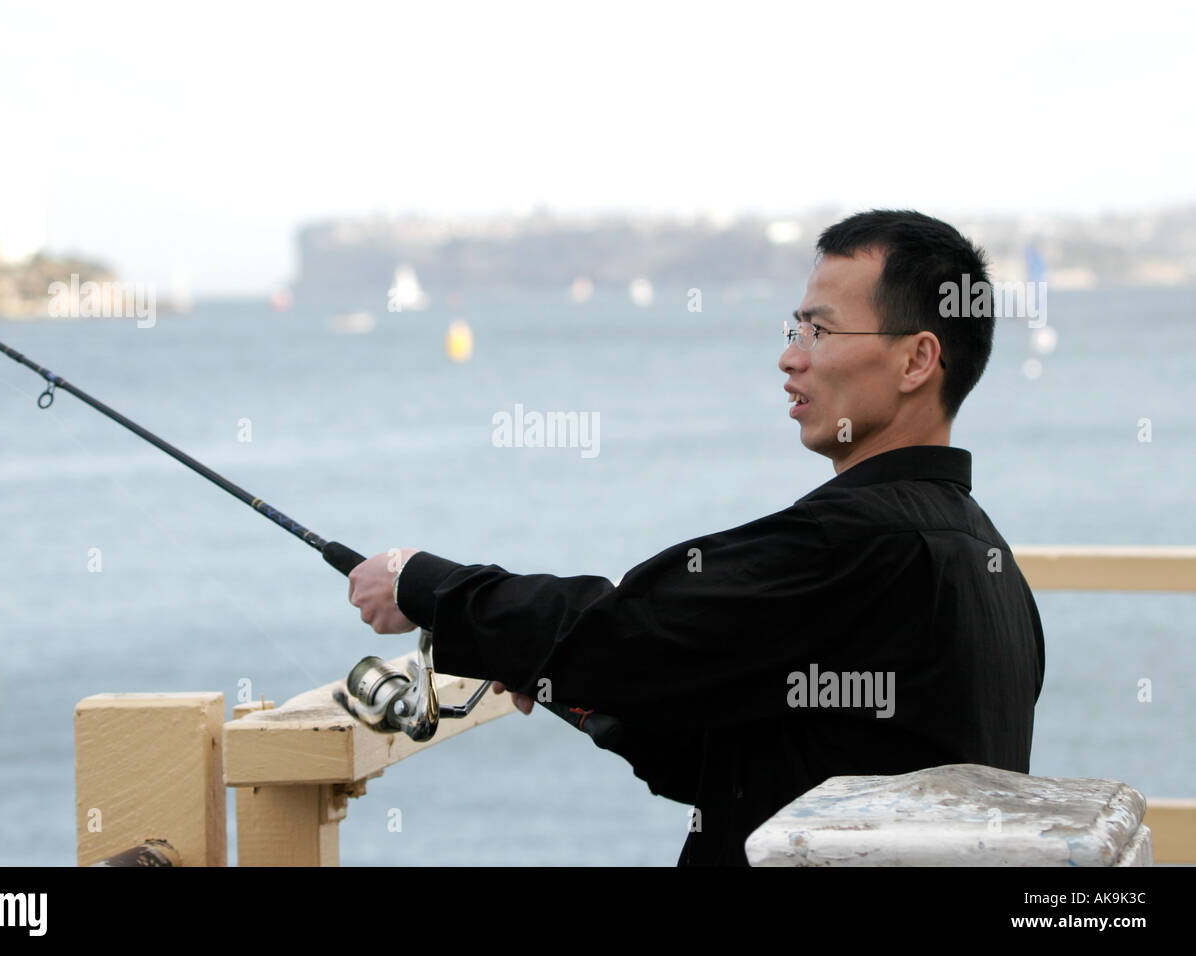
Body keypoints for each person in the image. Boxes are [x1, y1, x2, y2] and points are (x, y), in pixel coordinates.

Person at [347, 209, 1045, 866]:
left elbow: (627, 630)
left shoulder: (858, 541)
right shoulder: (992, 570)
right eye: (793, 329)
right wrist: (571, 683)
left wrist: (420, 583)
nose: (790, 358)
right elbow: (767, 762)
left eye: (820, 332)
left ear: (917, 361)